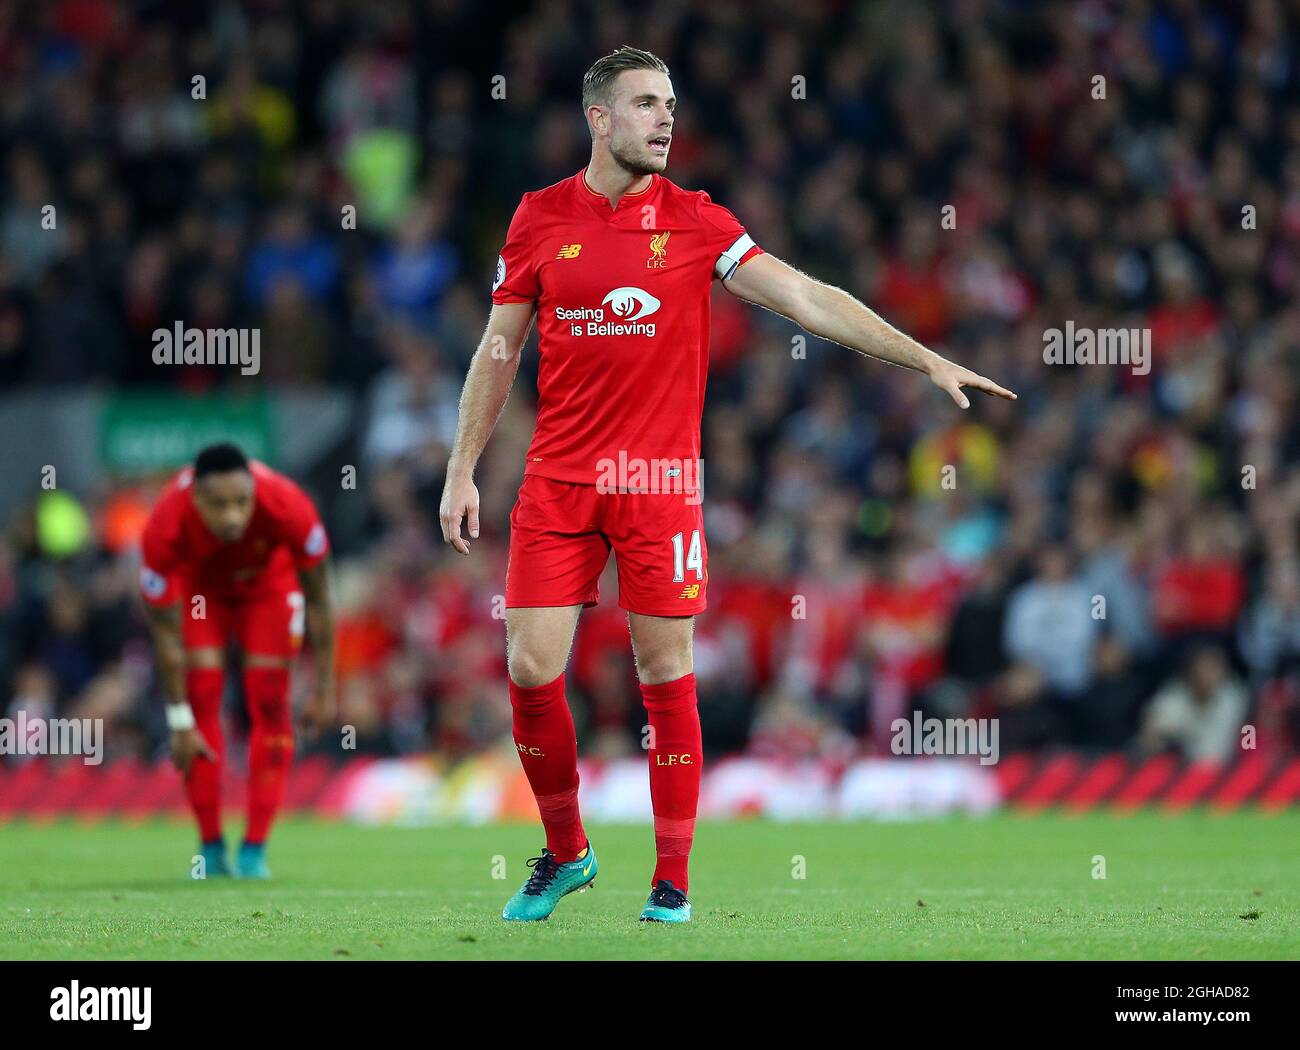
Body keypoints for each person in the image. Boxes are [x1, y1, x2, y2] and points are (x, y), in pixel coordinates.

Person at [439, 46, 1016, 924]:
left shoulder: (699, 222)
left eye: (670, 104)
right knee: (527, 666)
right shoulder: (537, 219)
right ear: (599, 118)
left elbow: (810, 298)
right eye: (645, 104)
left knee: (664, 669)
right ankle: (566, 852)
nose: (666, 119)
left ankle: (671, 880)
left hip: (658, 483)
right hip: (558, 480)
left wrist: (925, 357)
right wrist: (461, 469)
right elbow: (498, 349)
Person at [139, 443, 335, 878]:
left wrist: (324, 686)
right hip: (201, 596)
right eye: (218, 505)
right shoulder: (163, 525)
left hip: (268, 590)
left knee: (268, 702)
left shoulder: (288, 505)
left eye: (240, 502)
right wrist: (177, 720)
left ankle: (254, 849)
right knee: (201, 696)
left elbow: (321, 597)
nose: (232, 516)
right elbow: (165, 633)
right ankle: (210, 844)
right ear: (194, 499)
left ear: (254, 492)